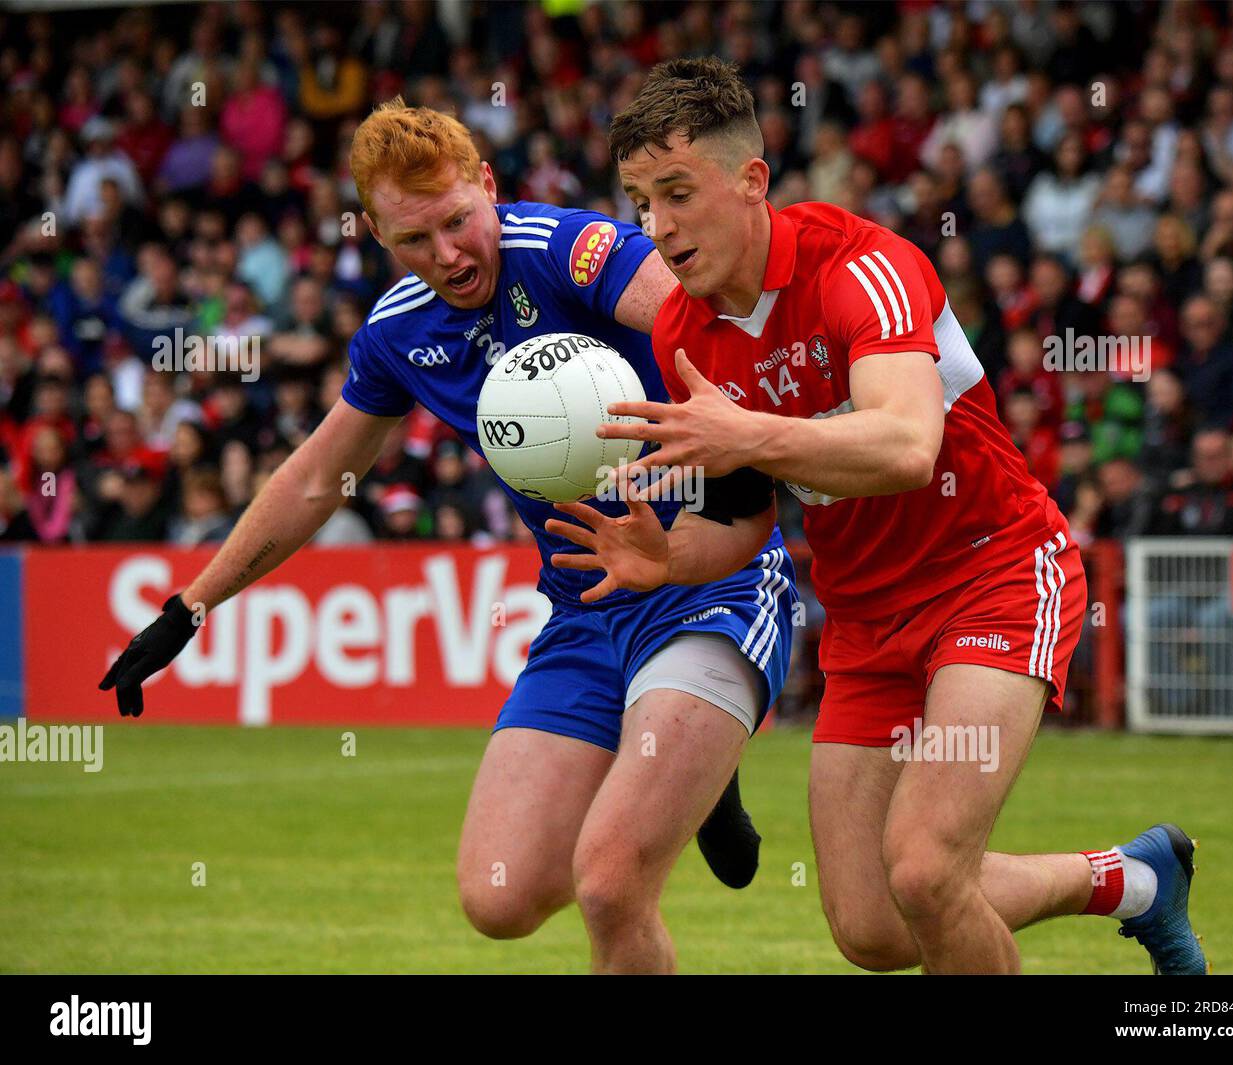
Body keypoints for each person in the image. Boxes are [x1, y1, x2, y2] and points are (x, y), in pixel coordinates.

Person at [98, 100, 797, 976]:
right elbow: (316, 478)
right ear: (380, 238)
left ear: (488, 187)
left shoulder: (572, 252)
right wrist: (191, 605)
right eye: (413, 241)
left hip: (712, 581)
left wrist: (722, 454)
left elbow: (709, 332)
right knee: (497, 898)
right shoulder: (397, 333)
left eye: (458, 222)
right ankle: (688, 766)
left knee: (612, 884)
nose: (449, 255)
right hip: (585, 608)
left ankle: (695, 749)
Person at [553, 57, 1205, 975]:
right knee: (872, 926)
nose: (656, 227)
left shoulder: (865, 267)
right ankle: (1131, 881)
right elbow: (746, 518)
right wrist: (672, 557)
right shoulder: (679, 333)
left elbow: (906, 446)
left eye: (676, 193)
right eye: (639, 201)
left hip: (996, 572)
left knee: (929, 871)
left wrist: (749, 429)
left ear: (752, 182)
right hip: (866, 618)